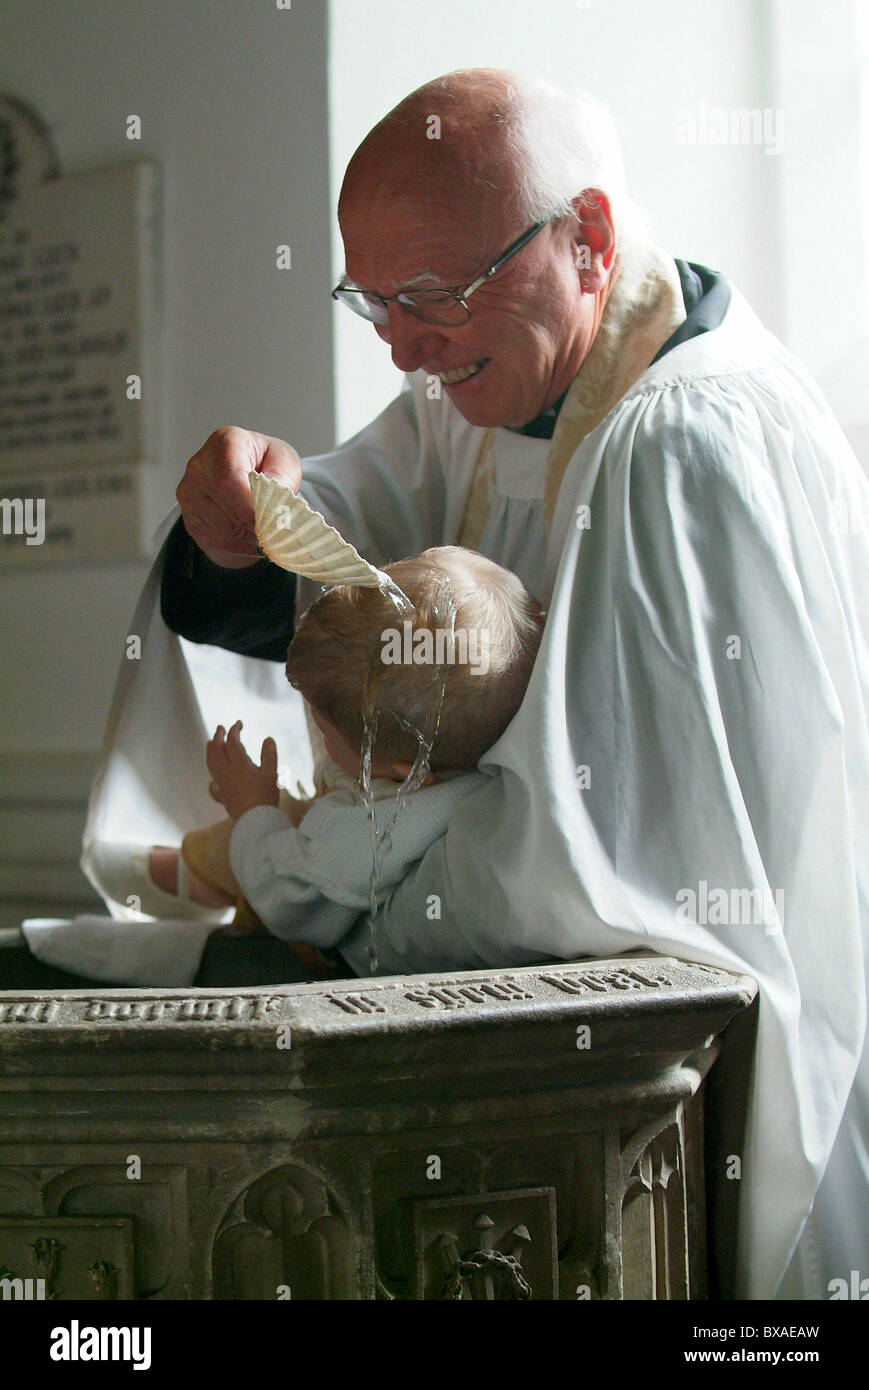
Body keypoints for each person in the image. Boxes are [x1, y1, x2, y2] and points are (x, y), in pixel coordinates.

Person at [115, 66, 867, 1299]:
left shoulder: (680, 443)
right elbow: (341, 574)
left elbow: (603, 872)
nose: (402, 344)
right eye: (372, 300)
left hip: (694, 1106)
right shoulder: (476, 390)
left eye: (434, 294)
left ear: (590, 242)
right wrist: (238, 519)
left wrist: (315, 893)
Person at [148, 545, 542, 978]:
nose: (318, 734)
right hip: (332, 859)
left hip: (318, 931)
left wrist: (252, 808)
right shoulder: (463, 755)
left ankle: (160, 875)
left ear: (402, 772)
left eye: (324, 730)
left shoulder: (369, 835)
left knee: (233, 846)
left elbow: (288, 899)